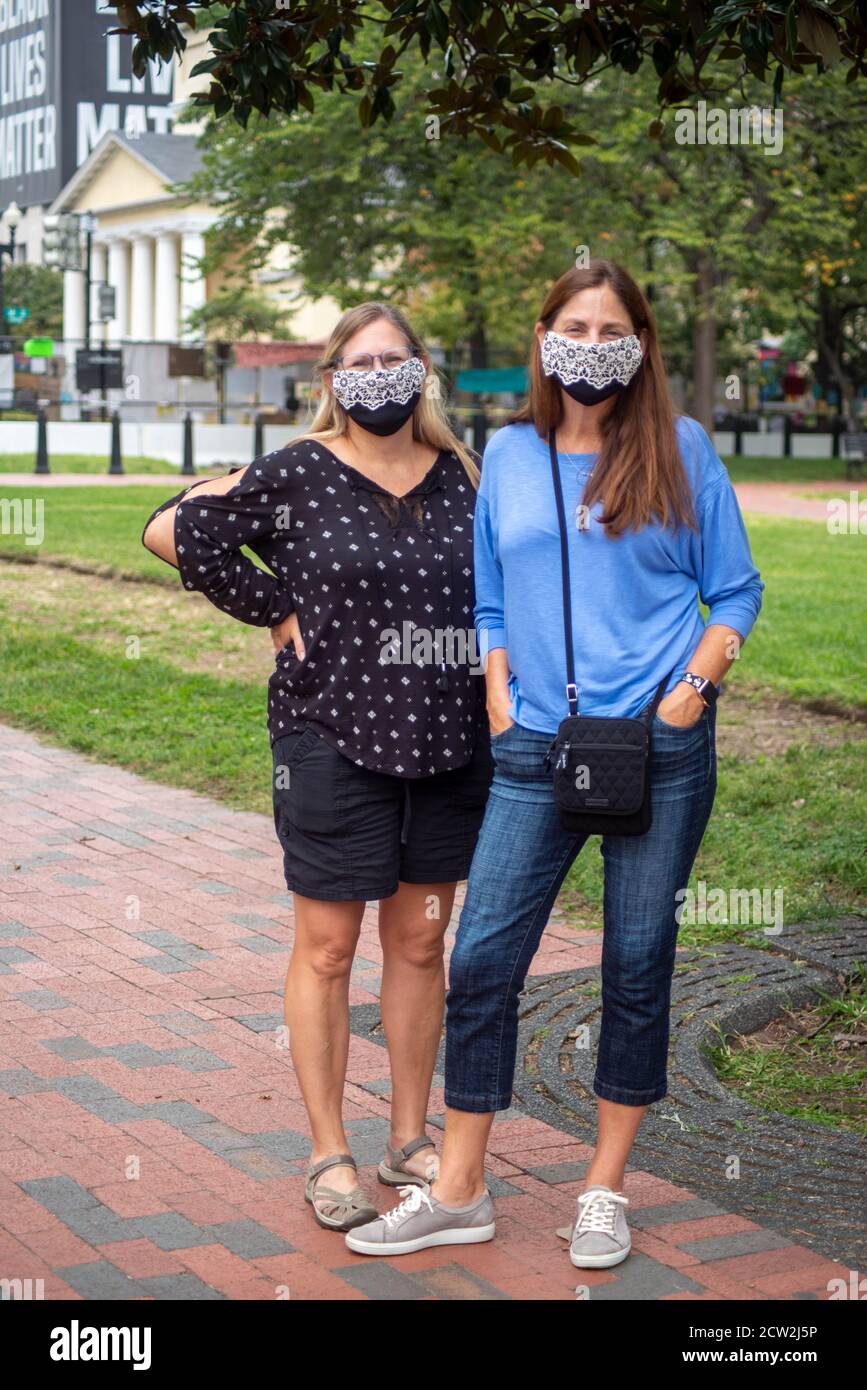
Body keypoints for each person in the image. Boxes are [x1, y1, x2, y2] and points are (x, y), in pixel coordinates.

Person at [344, 259, 764, 1264]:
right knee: (483, 957)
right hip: (535, 746)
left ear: (641, 345)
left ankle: (605, 1189)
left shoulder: (681, 447)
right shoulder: (513, 452)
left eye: (609, 326)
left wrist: (693, 690)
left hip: (659, 752)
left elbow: (736, 593)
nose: (589, 341)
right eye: (572, 323)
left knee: (636, 962)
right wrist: (497, 688)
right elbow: (492, 597)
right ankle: (459, 1187)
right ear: (543, 339)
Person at [141, 303, 493, 1232]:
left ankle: (409, 1136)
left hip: (450, 740)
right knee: (330, 948)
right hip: (331, 735)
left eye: (394, 358)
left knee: (419, 943)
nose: (378, 374)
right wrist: (270, 605)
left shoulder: (466, 474)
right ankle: (330, 1147)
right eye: (357, 361)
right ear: (331, 378)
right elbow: (168, 528)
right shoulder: (296, 469)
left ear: (423, 369)